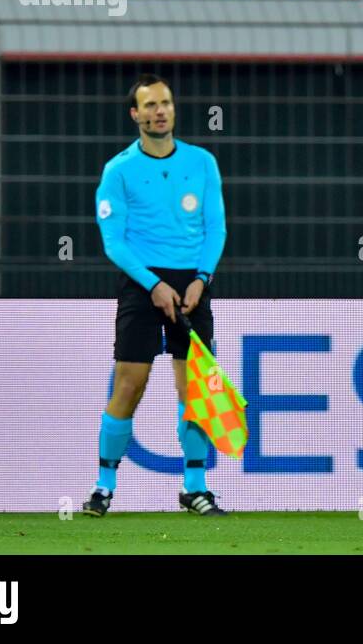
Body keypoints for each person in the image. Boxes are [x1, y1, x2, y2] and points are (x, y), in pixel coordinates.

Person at [83, 73, 228, 517]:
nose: (159, 111)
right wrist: (153, 285)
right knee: (130, 384)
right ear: (135, 114)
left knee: (194, 389)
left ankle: (194, 487)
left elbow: (216, 227)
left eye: (164, 103)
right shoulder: (118, 170)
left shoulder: (202, 162)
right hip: (142, 285)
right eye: (149, 105)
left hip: (193, 285)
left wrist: (200, 279)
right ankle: (103, 486)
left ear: (173, 109)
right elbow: (114, 242)